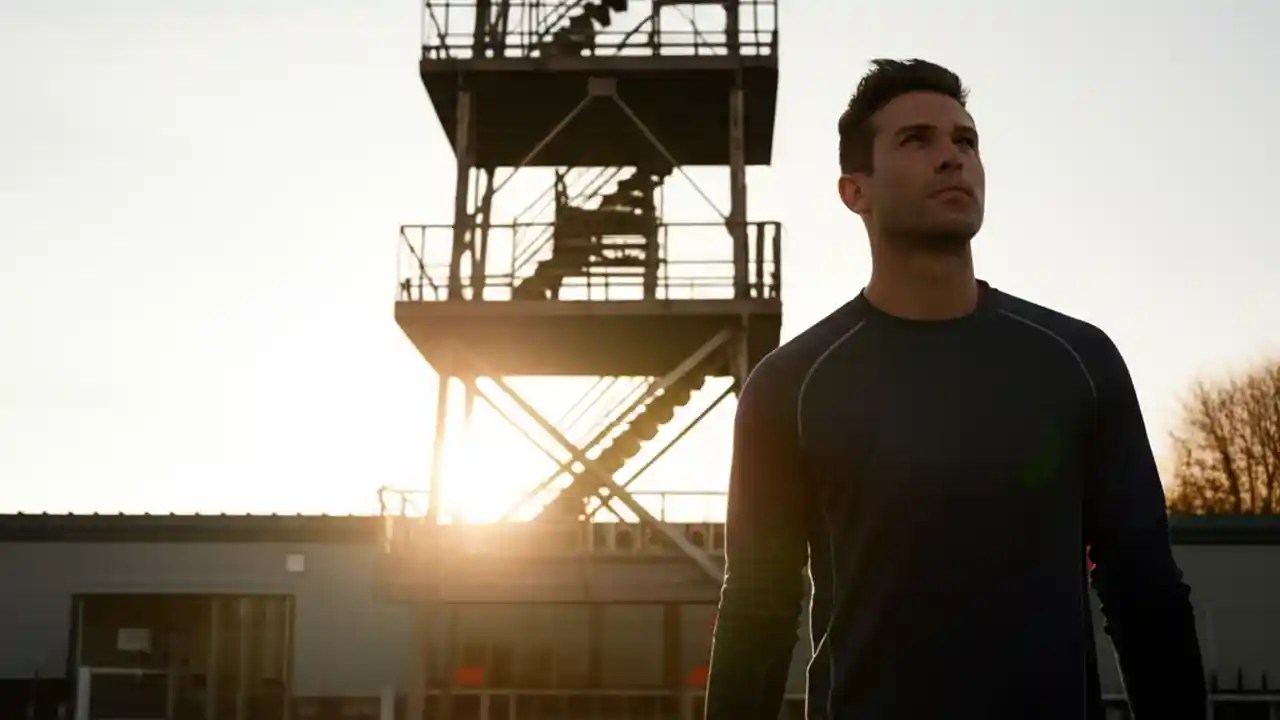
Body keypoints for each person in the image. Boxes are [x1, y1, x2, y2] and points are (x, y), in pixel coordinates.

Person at [703, 59, 1207, 719]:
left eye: (965, 141)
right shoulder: (790, 386)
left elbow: (1145, 590)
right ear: (856, 190)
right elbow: (757, 610)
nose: (953, 158)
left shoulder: (1079, 361)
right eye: (917, 140)